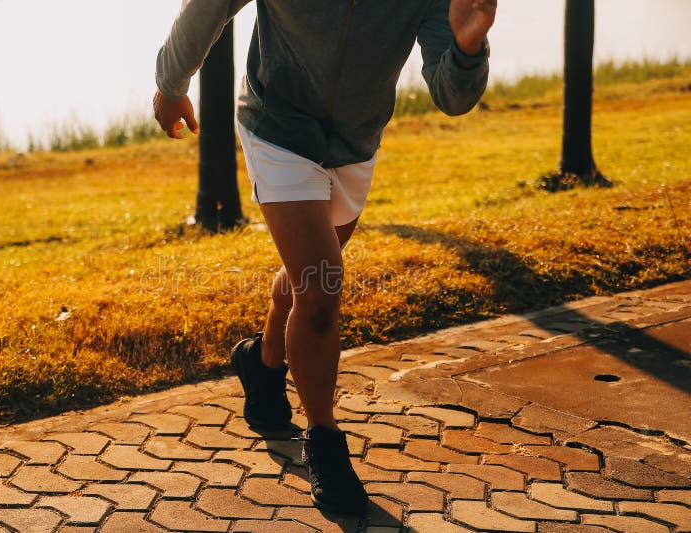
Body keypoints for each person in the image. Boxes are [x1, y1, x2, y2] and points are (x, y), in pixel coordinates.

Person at [154, 0, 496, 516]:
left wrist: (469, 45)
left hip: (356, 142)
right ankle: (325, 443)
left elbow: (451, 96)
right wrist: (172, 83)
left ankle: (263, 366)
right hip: (278, 127)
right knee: (321, 286)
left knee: (309, 275)